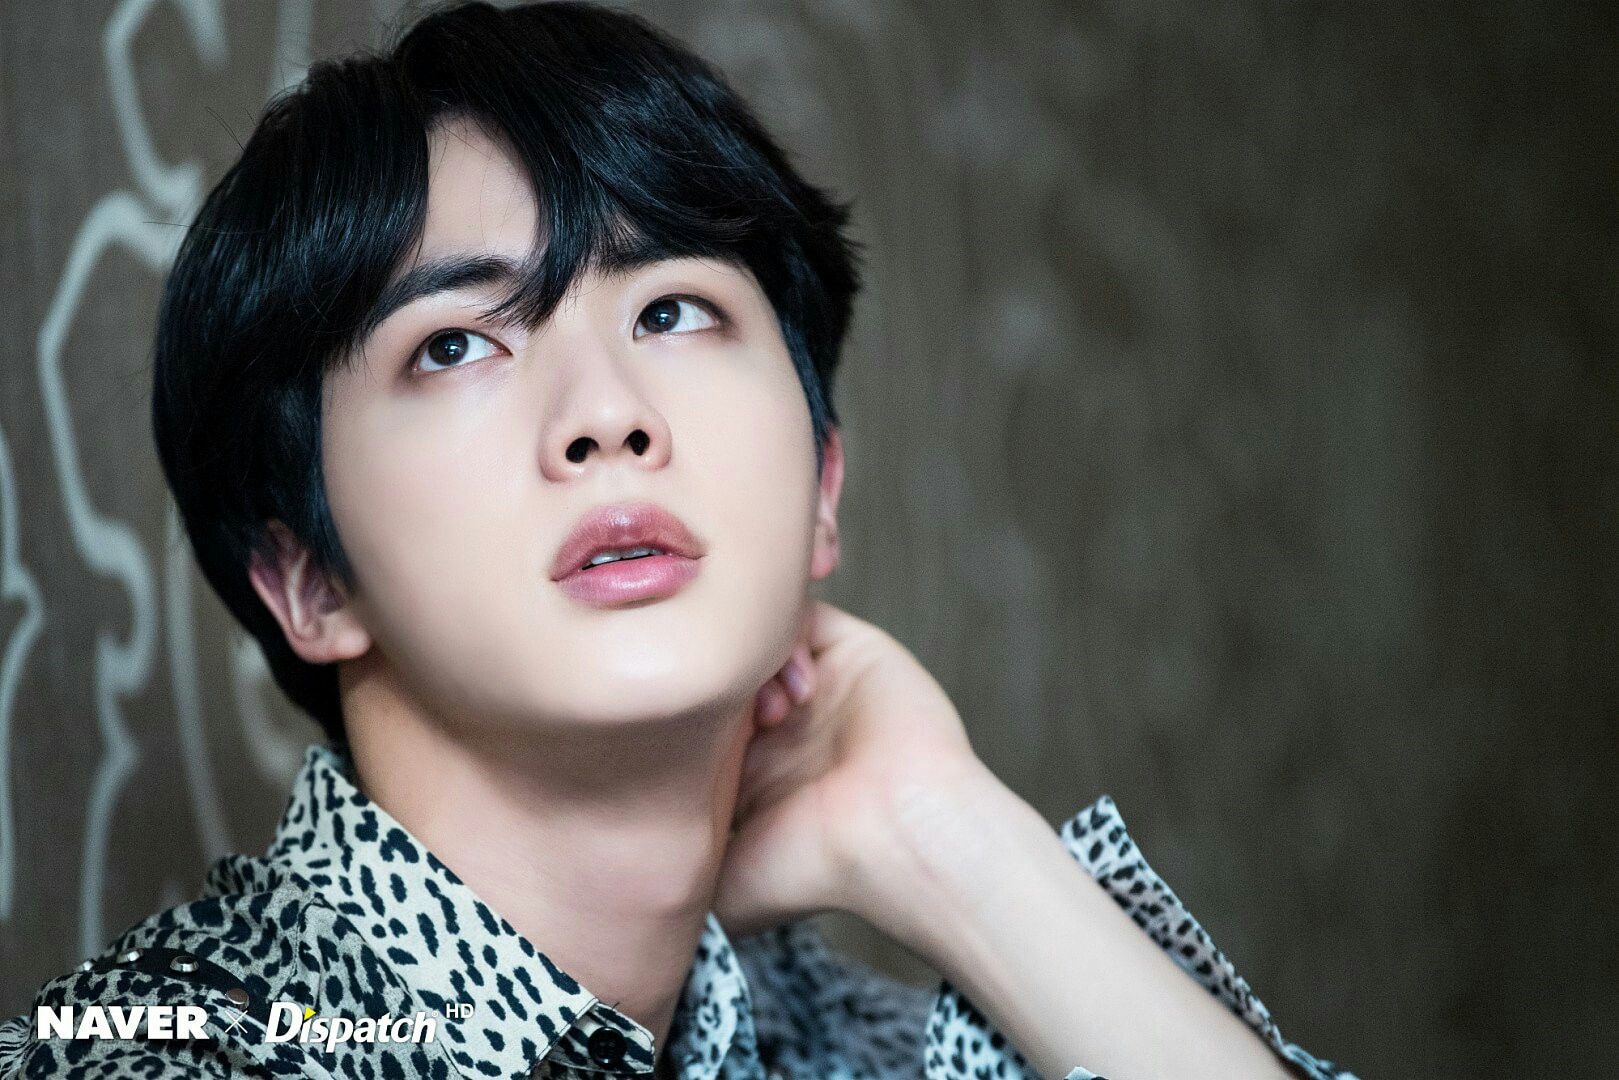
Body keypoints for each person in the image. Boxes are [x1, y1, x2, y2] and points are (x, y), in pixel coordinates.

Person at [0, 3, 1359, 1078]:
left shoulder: (846, 1048)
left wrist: (942, 836)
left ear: (823, 486)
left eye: (672, 311)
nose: (607, 416)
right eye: (457, 343)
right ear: (308, 576)